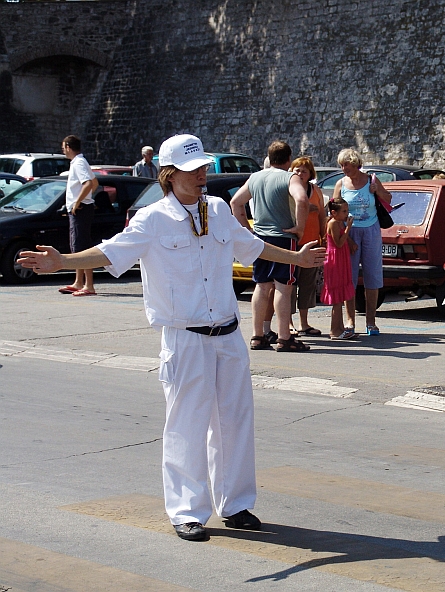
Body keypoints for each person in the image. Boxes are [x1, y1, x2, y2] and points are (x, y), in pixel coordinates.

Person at [16, 134, 325, 542]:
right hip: (185, 339)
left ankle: (235, 504)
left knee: (235, 422)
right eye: (193, 170)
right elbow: (110, 251)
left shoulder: (218, 209)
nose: (202, 175)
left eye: (203, 168)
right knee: (187, 426)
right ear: (169, 174)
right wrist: (63, 261)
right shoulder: (152, 219)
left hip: (228, 336)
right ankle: (186, 511)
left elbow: (251, 245)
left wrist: (296, 257)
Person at [230, 141, 310, 352]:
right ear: (289, 159)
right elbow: (302, 199)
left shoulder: (256, 177)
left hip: (260, 238)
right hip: (283, 236)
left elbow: (236, 202)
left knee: (262, 285)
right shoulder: (289, 177)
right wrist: (300, 228)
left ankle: (258, 335)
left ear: (269, 157)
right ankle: (284, 337)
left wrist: (247, 230)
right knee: (283, 286)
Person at [332, 148, 392, 336]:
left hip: (371, 230)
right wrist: (347, 238)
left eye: (346, 164)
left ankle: (371, 322)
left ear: (355, 163)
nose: (344, 168)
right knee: (349, 278)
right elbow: (334, 213)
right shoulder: (341, 184)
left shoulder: (371, 180)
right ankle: (350, 320)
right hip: (349, 232)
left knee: (372, 276)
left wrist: (377, 191)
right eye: (341, 165)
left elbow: (388, 198)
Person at [288, 156, 327, 337]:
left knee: (308, 285)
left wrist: (323, 237)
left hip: (311, 242)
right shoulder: (288, 188)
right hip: (292, 243)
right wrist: (305, 207)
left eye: (304, 171)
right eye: (297, 170)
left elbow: (322, 216)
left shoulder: (315, 190)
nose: (300, 173)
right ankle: (288, 323)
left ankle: (304, 323)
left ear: (310, 173)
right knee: (289, 284)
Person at [59, 135, 99, 296]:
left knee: (81, 246)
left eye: (63, 147)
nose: (63, 150)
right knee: (77, 246)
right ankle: (78, 282)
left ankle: (89, 285)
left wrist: (78, 201)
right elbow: (95, 183)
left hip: (81, 209)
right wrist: (86, 198)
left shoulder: (79, 163)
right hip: (83, 208)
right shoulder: (79, 162)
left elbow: (88, 183)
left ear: (68, 147)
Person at [321, 197, 356, 339]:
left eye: (347, 210)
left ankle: (340, 329)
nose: (347, 214)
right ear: (334, 213)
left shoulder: (339, 222)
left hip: (341, 258)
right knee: (337, 299)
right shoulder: (333, 223)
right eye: (344, 211)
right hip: (334, 260)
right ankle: (335, 331)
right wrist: (348, 229)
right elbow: (339, 243)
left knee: (340, 296)